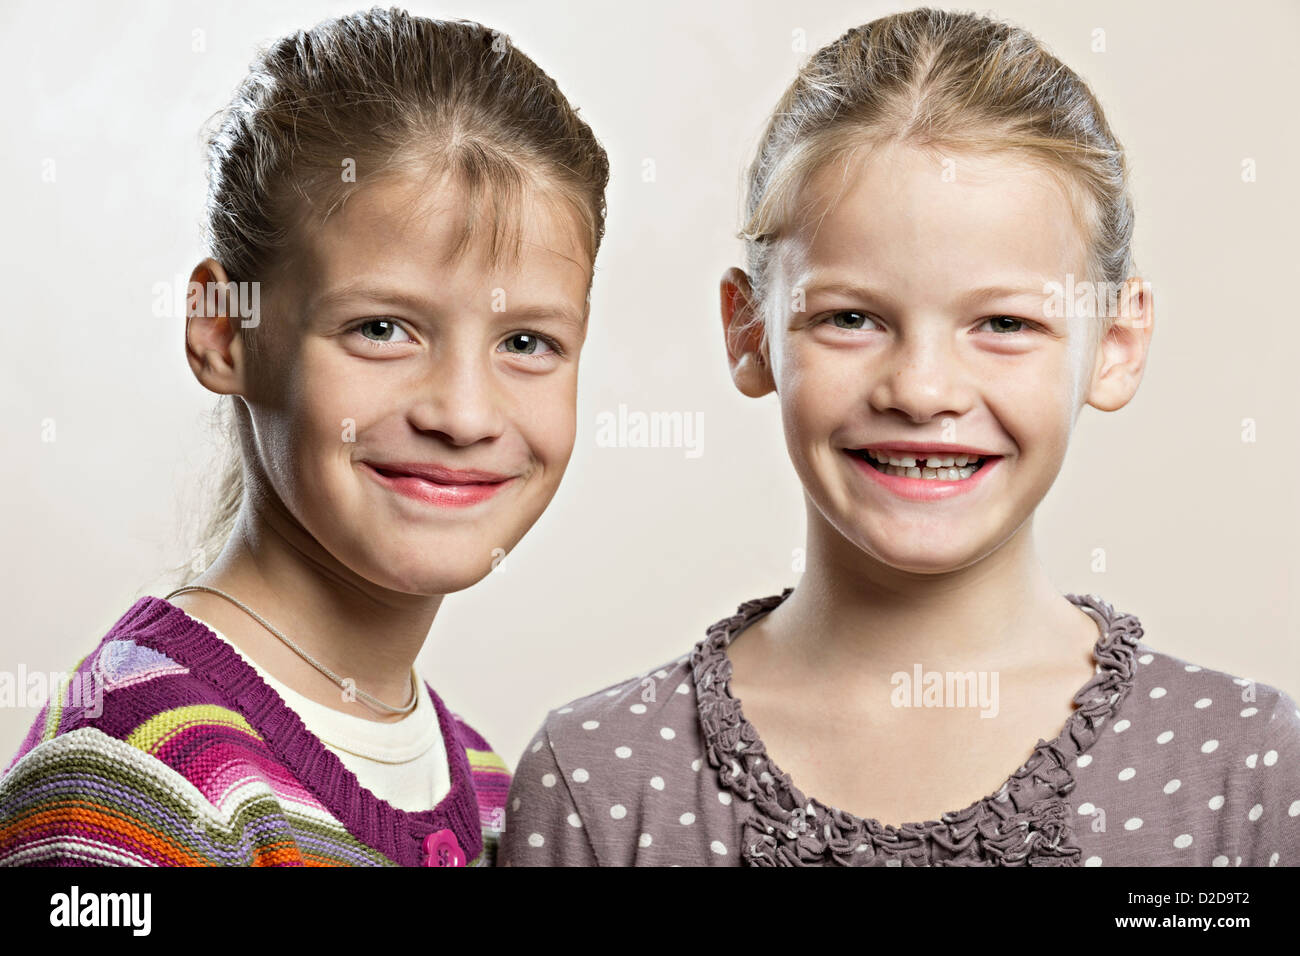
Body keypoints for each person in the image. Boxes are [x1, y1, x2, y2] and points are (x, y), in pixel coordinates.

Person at [500, 6, 1300, 866]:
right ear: (748, 332)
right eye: (851, 318)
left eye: (1003, 322)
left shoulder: (1247, 768)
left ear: (1115, 344)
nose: (922, 391)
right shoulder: (599, 784)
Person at [0, 7, 609, 867]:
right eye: (382, 329)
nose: (466, 415)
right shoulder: (132, 775)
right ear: (224, 331)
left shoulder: (491, 788)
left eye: (525, 343)